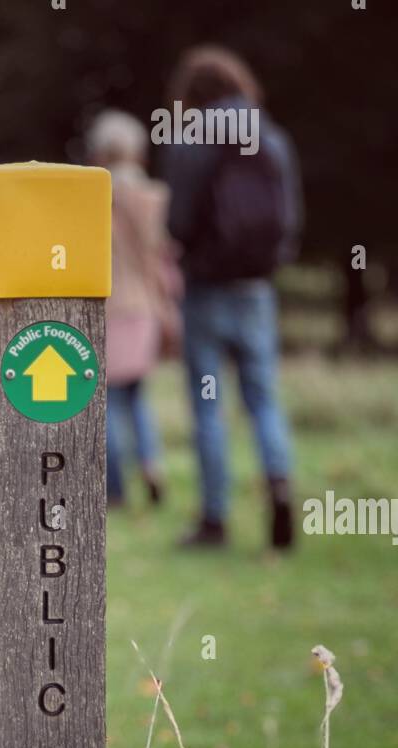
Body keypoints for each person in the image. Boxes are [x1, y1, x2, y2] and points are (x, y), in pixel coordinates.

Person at [163, 46, 303, 549]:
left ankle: (215, 517)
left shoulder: (192, 140)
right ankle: (280, 484)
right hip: (255, 288)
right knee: (263, 399)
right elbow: (289, 218)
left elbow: (177, 220)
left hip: (205, 289)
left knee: (208, 403)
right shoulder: (272, 137)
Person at [86, 110, 180, 508]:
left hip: (106, 306)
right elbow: (165, 257)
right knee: (138, 397)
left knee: (106, 401)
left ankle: (116, 488)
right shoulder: (156, 198)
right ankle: (152, 464)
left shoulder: (93, 196)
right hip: (144, 307)